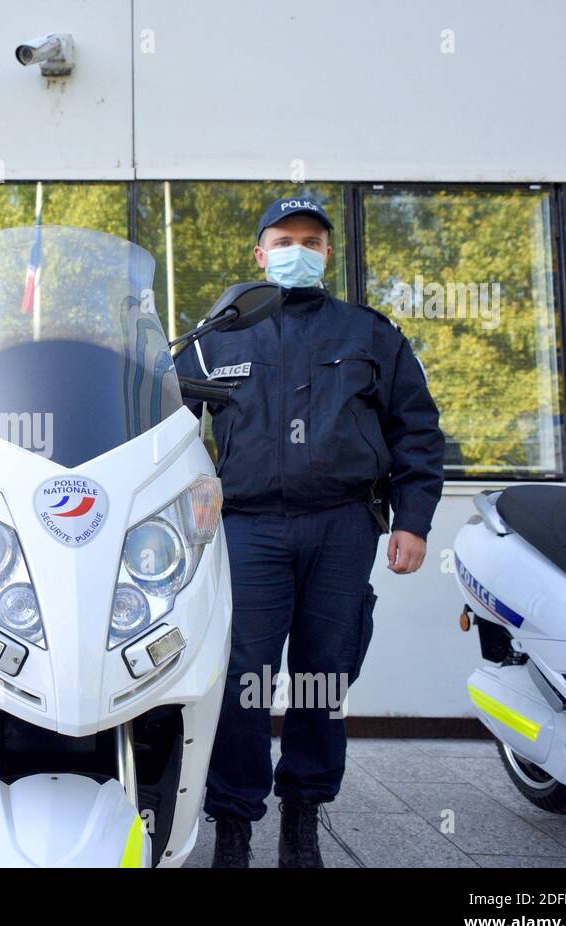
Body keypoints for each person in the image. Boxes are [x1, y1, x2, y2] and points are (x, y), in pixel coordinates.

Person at [175, 196, 444, 867]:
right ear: (260, 254)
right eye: (285, 239)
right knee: (243, 676)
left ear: (327, 253)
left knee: (324, 674)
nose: (300, 249)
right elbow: (163, 429)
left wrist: (412, 521)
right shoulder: (214, 339)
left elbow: (417, 433)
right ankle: (233, 822)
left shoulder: (369, 334)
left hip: (342, 526)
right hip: (249, 528)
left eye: (313, 241)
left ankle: (303, 816)